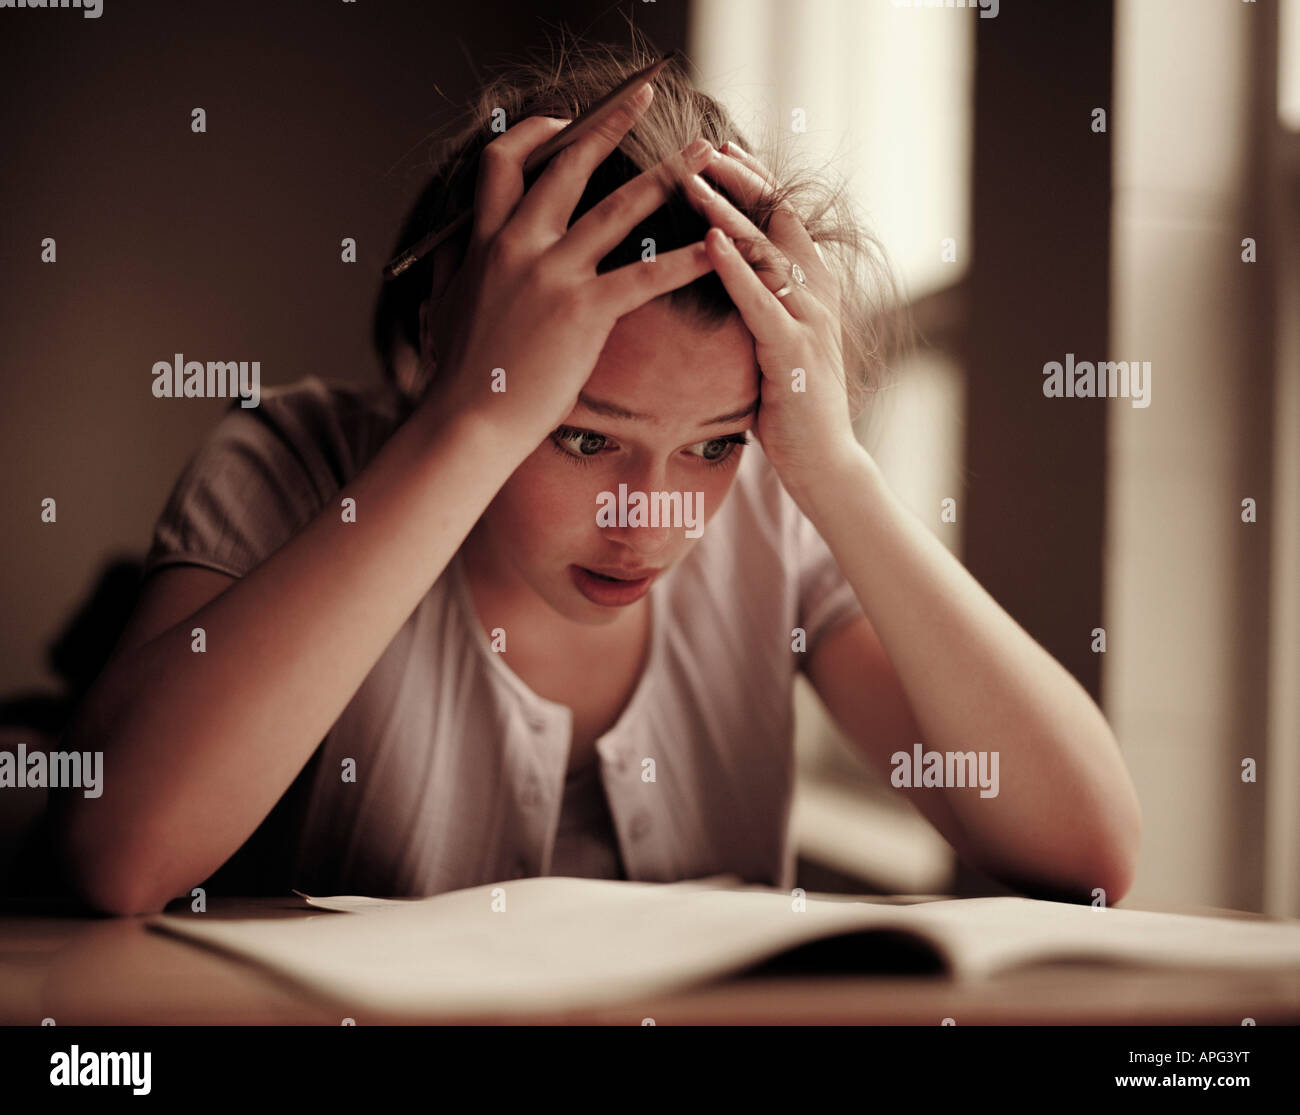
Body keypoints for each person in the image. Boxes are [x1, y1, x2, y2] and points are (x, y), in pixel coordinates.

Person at [52, 41, 1141, 917]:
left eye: (714, 443)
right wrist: (469, 419)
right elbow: (115, 852)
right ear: (449, 339)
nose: (650, 517)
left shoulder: (774, 514)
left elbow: (1088, 848)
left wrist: (838, 472)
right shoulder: (290, 461)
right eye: (581, 436)